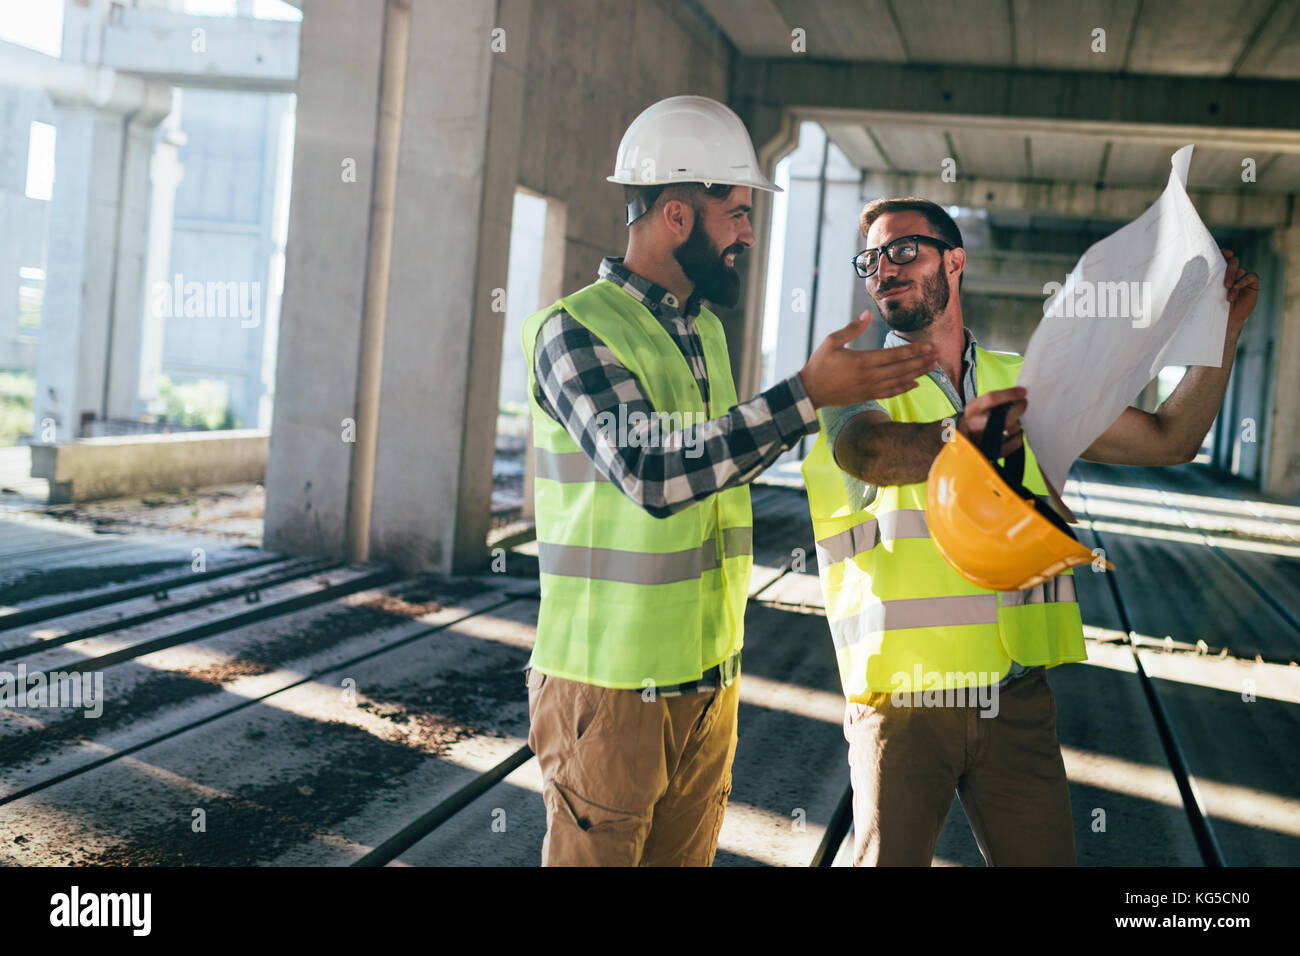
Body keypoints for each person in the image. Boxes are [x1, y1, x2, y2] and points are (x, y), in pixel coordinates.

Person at [519, 96, 936, 866]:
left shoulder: (705, 329)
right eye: (737, 212)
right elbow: (651, 469)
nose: (749, 232)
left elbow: (716, 461)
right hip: (608, 686)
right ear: (677, 214)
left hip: (708, 680)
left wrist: (828, 406)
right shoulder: (573, 331)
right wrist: (806, 394)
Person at [802, 196, 1259, 866]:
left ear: (954, 261)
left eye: (905, 250)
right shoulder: (853, 384)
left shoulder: (1026, 382)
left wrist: (1224, 332)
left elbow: (1170, 439)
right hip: (903, 707)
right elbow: (871, 454)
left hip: (1014, 700)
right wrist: (970, 435)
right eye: (870, 261)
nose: (884, 269)